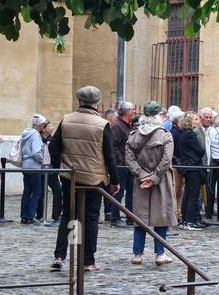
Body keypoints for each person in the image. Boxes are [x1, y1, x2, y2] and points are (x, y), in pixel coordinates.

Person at [50, 85, 119, 272]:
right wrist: (115, 180)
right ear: (97, 102)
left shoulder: (67, 120)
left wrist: (60, 167)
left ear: (79, 101)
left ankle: (60, 255)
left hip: (69, 176)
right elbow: (110, 155)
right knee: (90, 218)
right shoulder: (102, 124)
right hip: (94, 178)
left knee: (68, 214)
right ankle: (88, 260)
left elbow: (53, 147)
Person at [125, 102, 176, 266]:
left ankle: (137, 254)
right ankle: (160, 254)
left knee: (140, 216)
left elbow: (129, 159)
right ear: (158, 116)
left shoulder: (134, 135)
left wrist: (142, 175)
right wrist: (154, 177)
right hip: (160, 180)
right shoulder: (165, 135)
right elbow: (167, 159)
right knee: (161, 216)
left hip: (141, 180)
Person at [174, 111, 205, 229]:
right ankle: (190, 221)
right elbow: (200, 151)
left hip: (187, 166)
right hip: (193, 167)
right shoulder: (190, 134)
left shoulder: (183, 133)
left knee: (188, 194)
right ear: (190, 121)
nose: (198, 122)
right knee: (193, 194)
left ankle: (185, 220)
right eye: (196, 119)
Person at [108, 101, 136, 226]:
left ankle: (130, 216)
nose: (134, 111)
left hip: (129, 163)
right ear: (126, 111)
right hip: (122, 165)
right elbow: (113, 145)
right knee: (119, 191)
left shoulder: (127, 125)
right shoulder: (117, 126)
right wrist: (121, 160)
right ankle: (115, 217)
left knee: (131, 191)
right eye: (132, 109)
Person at [18, 115, 48, 224]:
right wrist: (42, 160)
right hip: (34, 165)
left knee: (27, 191)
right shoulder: (35, 135)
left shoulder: (26, 132)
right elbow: (36, 152)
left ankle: (24, 215)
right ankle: (30, 215)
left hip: (25, 164)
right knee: (36, 191)